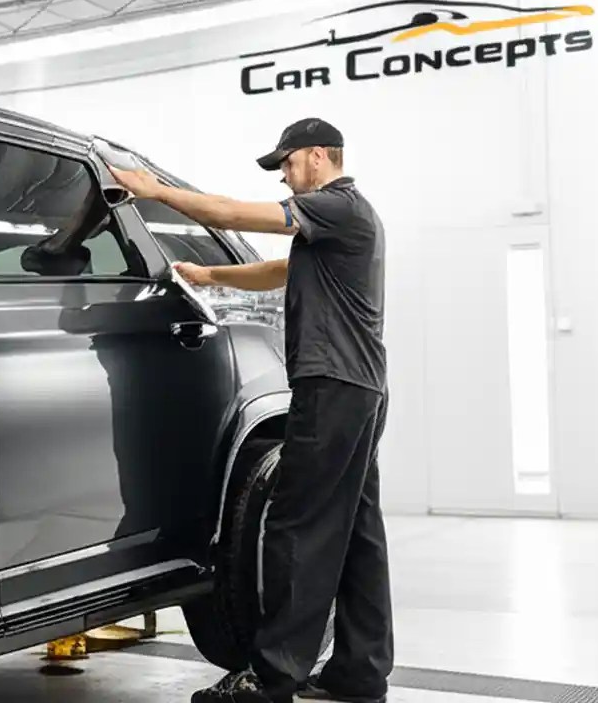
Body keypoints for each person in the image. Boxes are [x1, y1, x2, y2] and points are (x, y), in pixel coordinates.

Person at [107, 118, 393, 703]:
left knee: (298, 530)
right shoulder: (338, 225)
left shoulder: (337, 206)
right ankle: (358, 673)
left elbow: (235, 214)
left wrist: (155, 190)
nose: (285, 177)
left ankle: (270, 678)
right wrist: (210, 275)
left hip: (332, 386)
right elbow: (278, 270)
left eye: (287, 164)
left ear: (317, 157)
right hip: (359, 389)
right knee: (358, 535)